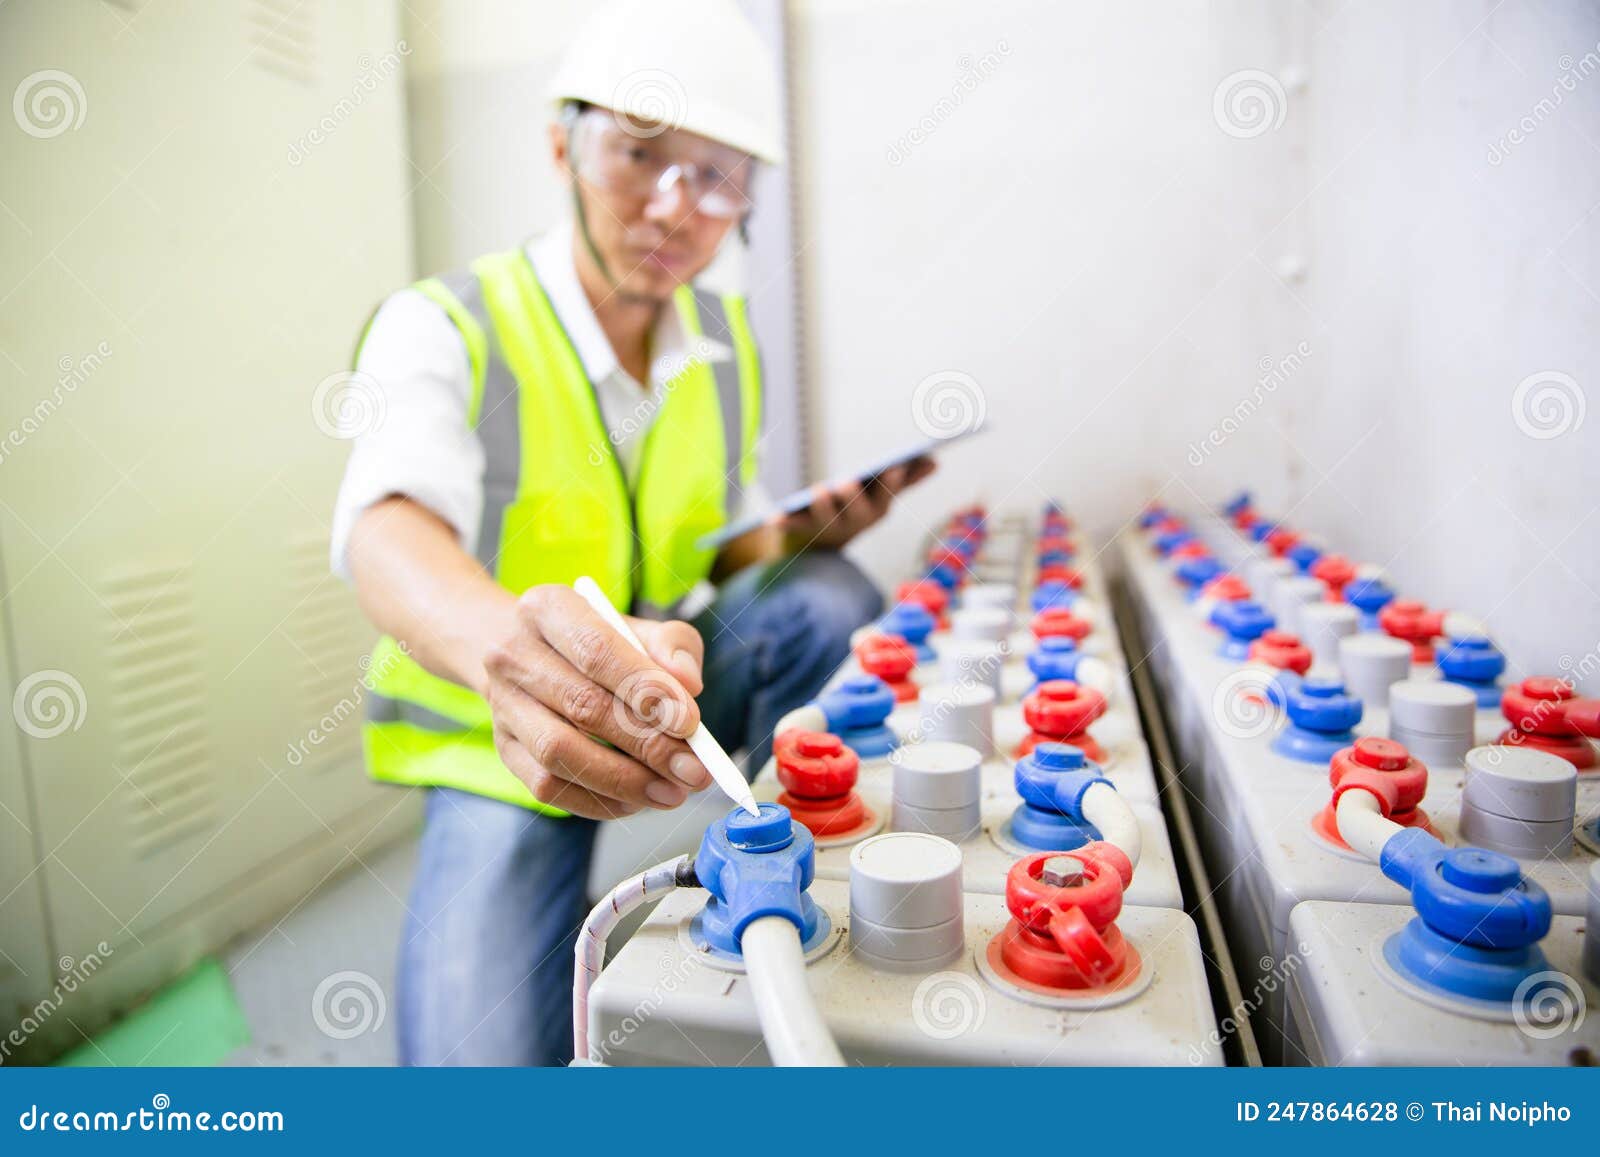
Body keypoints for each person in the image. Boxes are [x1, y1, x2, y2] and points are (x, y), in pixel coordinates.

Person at [329, 0, 933, 1066]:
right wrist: (514, 664)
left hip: (667, 687)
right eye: (640, 154)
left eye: (716, 175)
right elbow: (386, 525)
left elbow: (713, 549)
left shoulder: (720, 338)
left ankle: (780, 841)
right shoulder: (445, 322)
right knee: (470, 1087)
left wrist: (798, 534)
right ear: (561, 145)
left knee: (828, 591)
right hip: (499, 739)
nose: (673, 206)